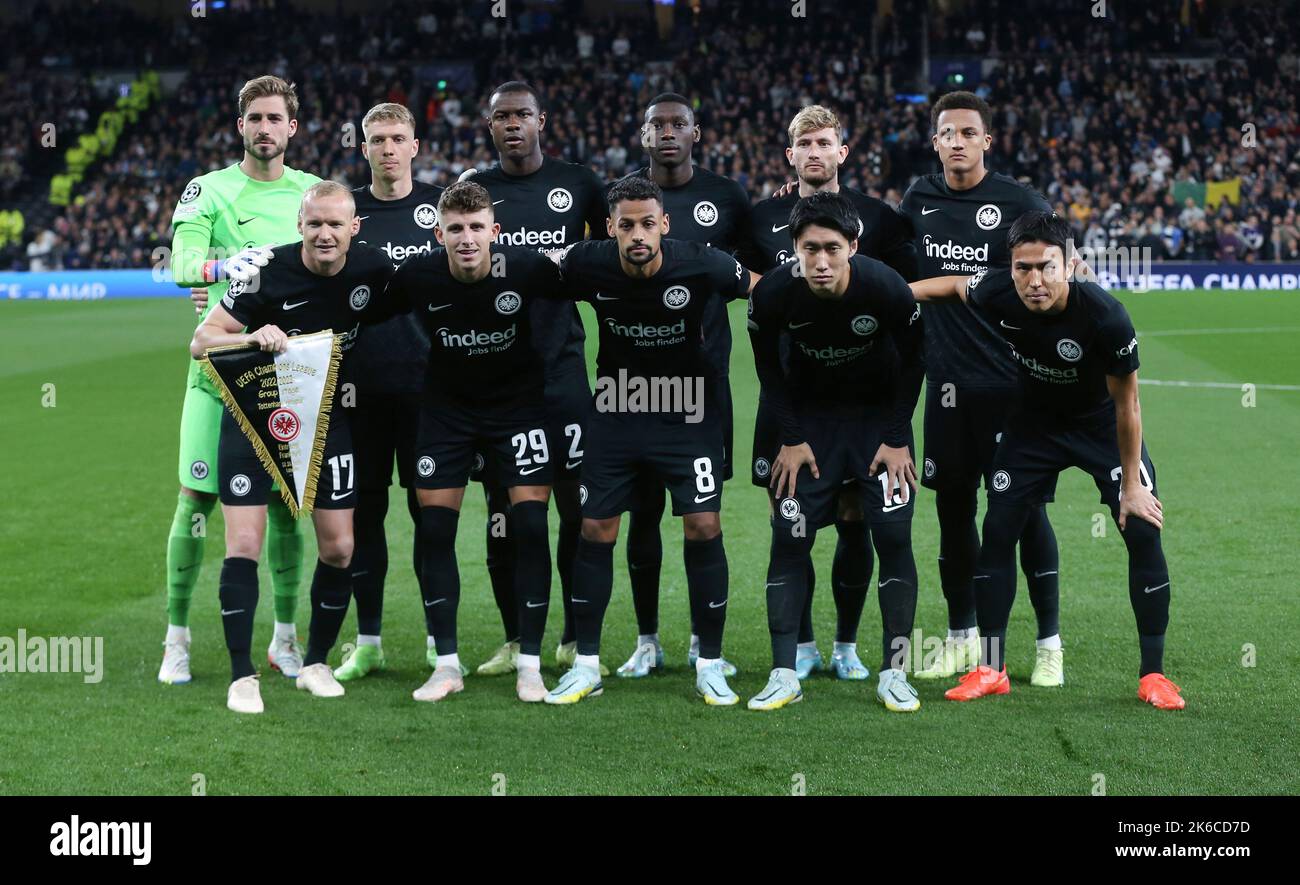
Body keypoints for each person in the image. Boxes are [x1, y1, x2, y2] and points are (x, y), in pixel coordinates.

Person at [910, 210, 1184, 711]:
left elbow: (1129, 404)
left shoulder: (1105, 315)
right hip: (1032, 427)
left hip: (1100, 428)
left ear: (1071, 263)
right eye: (1022, 268)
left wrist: (1130, 484)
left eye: (1046, 267)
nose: (1034, 281)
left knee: (1143, 527)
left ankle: (1154, 676)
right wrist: (894, 292)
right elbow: (951, 286)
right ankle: (991, 668)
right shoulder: (998, 291)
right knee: (998, 530)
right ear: (1009, 268)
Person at [544, 176, 753, 706]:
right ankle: (587, 664)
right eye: (626, 225)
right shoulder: (587, 262)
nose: (638, 234)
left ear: (664, 224)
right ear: (610, 227)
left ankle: (709, 662)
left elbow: (764, 287)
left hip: (687, 408)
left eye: (647, 224)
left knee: (704, 523)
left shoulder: (701, 262)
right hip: (617, 406)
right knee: (596, 527)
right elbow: (531, 273)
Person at [190, 182, 396, 713]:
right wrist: (253, 338)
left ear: (354, 228)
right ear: (300, 226)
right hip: (255, 421)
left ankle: (317, 662)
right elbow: (201, 341)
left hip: (326, 421)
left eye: (335, 224)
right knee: (243, 546)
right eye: (314, 224)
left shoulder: (373, 271)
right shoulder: (267, 272)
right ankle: (242, 677)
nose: (324, 233)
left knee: (340, 547)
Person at [744, 104, 916, 682]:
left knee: (855, 520)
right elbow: (736, 281)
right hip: (790, 402)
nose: (815, 152)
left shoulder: (880, 221)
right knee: (790, 526)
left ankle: (847, 645)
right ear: (789, 153)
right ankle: (799, 649)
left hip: (866, 401)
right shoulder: (760, 218)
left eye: (825, 142)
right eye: (804, 143)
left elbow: (906, 296)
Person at [898, 91, 1064, 686]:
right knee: (951, 510)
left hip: (1011, 387)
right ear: (936, 141)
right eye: (949, 133)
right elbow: (874, 243)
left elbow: (1064, 271)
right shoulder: (918, 198)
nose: (959, 141)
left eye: (970, 132)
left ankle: (1049, 644)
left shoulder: (1019, 202)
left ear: (987, 141)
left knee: (1024, 515)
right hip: (946, 384)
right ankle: (963, 637)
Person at [159, 75, 321, 686]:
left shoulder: (311, 193)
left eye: (275, 119)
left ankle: (285, 638)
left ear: (292, 128)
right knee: (195, 501)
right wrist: (221, 265)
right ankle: (177, 638)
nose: (264, 129)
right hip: (219, 371)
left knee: (286, 505)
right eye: (255, 119)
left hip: (291, 374)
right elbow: (178, 265)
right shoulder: (211, 191)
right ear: (241, 127)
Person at [383, 181, 568, 704]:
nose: (467, 239)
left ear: (495, 231)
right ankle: (446, 665)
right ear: (439, 234)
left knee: (531, 527)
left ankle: (530, 665)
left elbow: (593, 280)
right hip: (446, 415)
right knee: (435, 531)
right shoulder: (418, 275)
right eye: (456, 229)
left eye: (477, 228)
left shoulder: (529, 269)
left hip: (519, 411)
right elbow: (356, 302)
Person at [461, 81, 609, 677]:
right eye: (502, 116)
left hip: (563, 371)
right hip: (495, 383)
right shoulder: (475, 191)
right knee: (505, 514)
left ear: (541, 120)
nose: (513, 124)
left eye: (522, 114)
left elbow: (613, 255)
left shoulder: (579, 184)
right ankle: (515, 637)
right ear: (489, 125)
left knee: (576, 507)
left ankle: (574, 635)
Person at [611, 93, 752, 680]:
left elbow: (754, 273)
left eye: (678, 125)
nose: (667, 134)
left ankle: (702, 639)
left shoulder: (727, 198)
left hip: (705, 387)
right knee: (641, 517)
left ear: (697, 132)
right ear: (642, 136)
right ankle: (647, 640)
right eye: (656, 126)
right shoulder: (620, 196)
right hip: (631, 390)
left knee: (702, 516)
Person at [332, 102, 448, 682]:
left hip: (429, 392)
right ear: (364, 147)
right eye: (376, 139)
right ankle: (369, 640)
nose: (386, 148)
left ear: (415, 145)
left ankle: (436, 639)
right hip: (358, 394)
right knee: (363, 517)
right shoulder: (347, 214)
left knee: (432, 518)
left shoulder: (440, 207)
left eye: (396, 138)